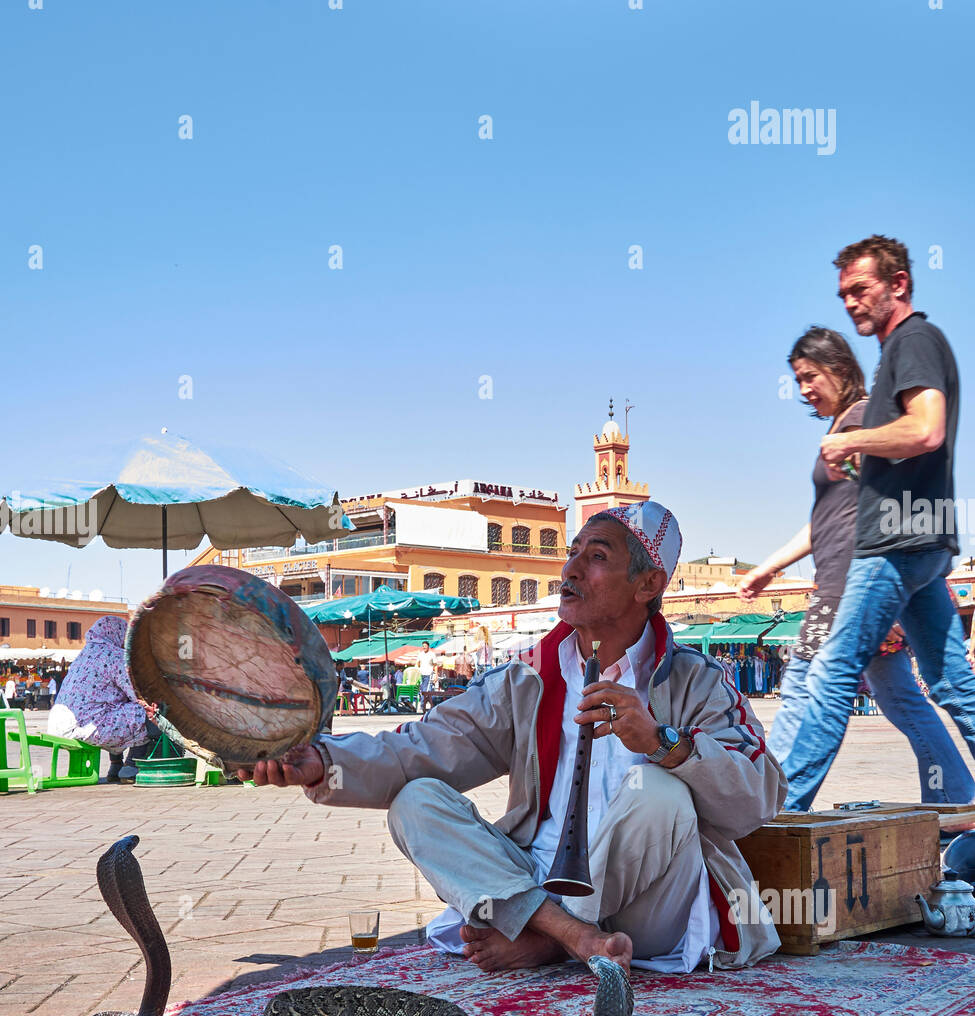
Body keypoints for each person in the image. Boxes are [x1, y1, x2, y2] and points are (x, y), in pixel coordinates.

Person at [237, 501, 786, 976]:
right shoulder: (527, 679)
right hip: (538, 884)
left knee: (657, 791)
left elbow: (759, 799)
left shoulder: (697, 679)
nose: (570, 569)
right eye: (572, 552)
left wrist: (666, 742)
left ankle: (548, 939)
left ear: (648, 585)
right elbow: (426, 745)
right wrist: (321, 762)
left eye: (596, 557)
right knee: (417, 800)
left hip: (652, 907)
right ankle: (569, 935)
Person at [777, 236, 975, 810]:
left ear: (899, 284)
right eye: (843, 293)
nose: (851, 302)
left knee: (832, 675)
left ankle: (779, 818)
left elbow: (927, 429)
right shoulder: (901, 352)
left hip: (896, 542)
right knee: (950, 685)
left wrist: (850, 440)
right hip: (924, 537)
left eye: (861, 289)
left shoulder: (913, 341)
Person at [47, 616, 159, 783]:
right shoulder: (115, 655)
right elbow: (137, 692)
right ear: (119, 634)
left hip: (57, 725)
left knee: (113, 711)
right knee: (142, 712)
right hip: (83, 727)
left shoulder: (83, 655)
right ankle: (131, 766)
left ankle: (115, 765)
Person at [417, 641, 438, 712]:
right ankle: (432, 706)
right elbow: (418, 663)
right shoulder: (420, 654)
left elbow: (435, 665)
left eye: (425, 646)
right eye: (423, 646)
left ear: (428, 647)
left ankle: (423, 705)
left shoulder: (432, 654)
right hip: (421, 675)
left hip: (429, 674)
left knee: (425, 690)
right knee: (426, 691)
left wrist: (436, 675)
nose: (424, 647)